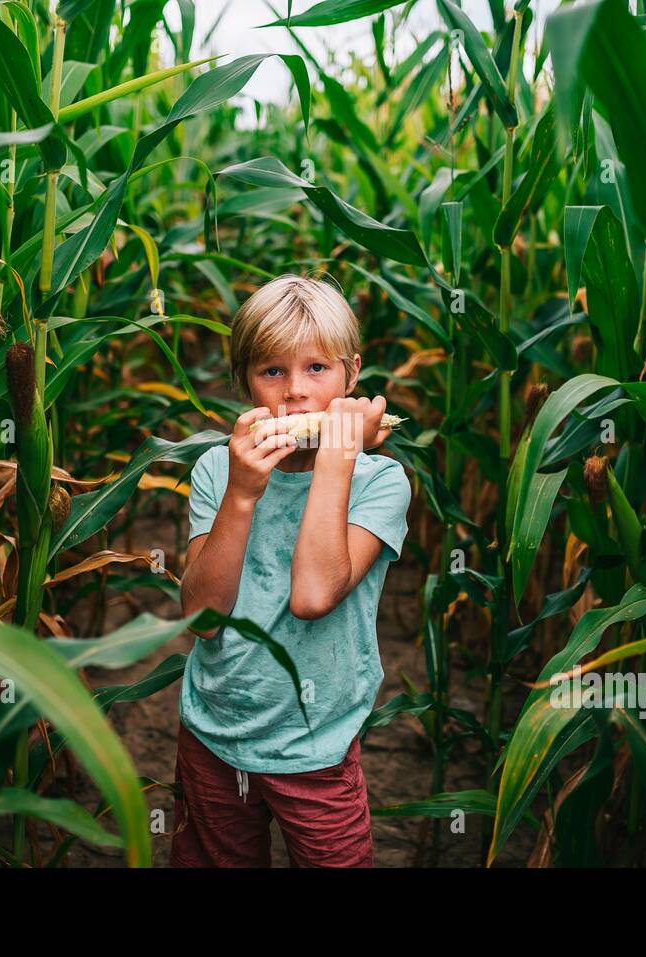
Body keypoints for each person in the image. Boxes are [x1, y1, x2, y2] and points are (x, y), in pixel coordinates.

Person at [171, 272, 412, 867]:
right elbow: (201, 618)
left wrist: (337, 458)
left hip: (317, 749)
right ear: (243, 381)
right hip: (214, 736)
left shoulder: (380, 483)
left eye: (317, 369)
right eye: (272, 371)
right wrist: (243, 496)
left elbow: (312, 594)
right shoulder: (215, 469)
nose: (296, 393)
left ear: (352, 375)